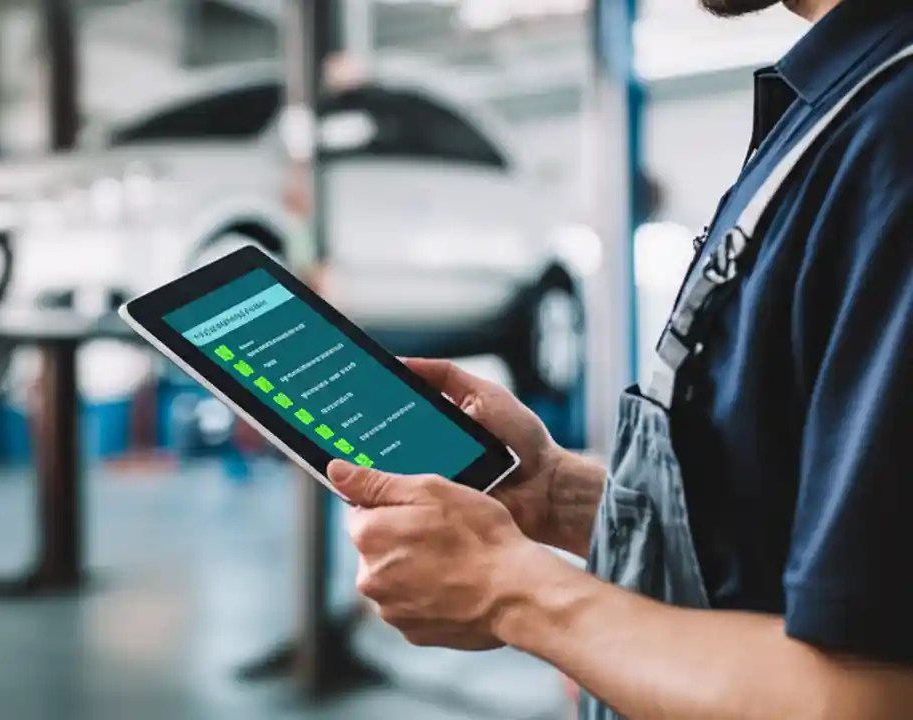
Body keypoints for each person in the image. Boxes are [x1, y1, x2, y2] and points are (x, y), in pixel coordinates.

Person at [328, 0, 913, 717]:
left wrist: (514, 594)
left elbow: (868, 699)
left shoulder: (895, 135)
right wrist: (556, 492)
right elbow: (799, 545)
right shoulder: (842, 103)